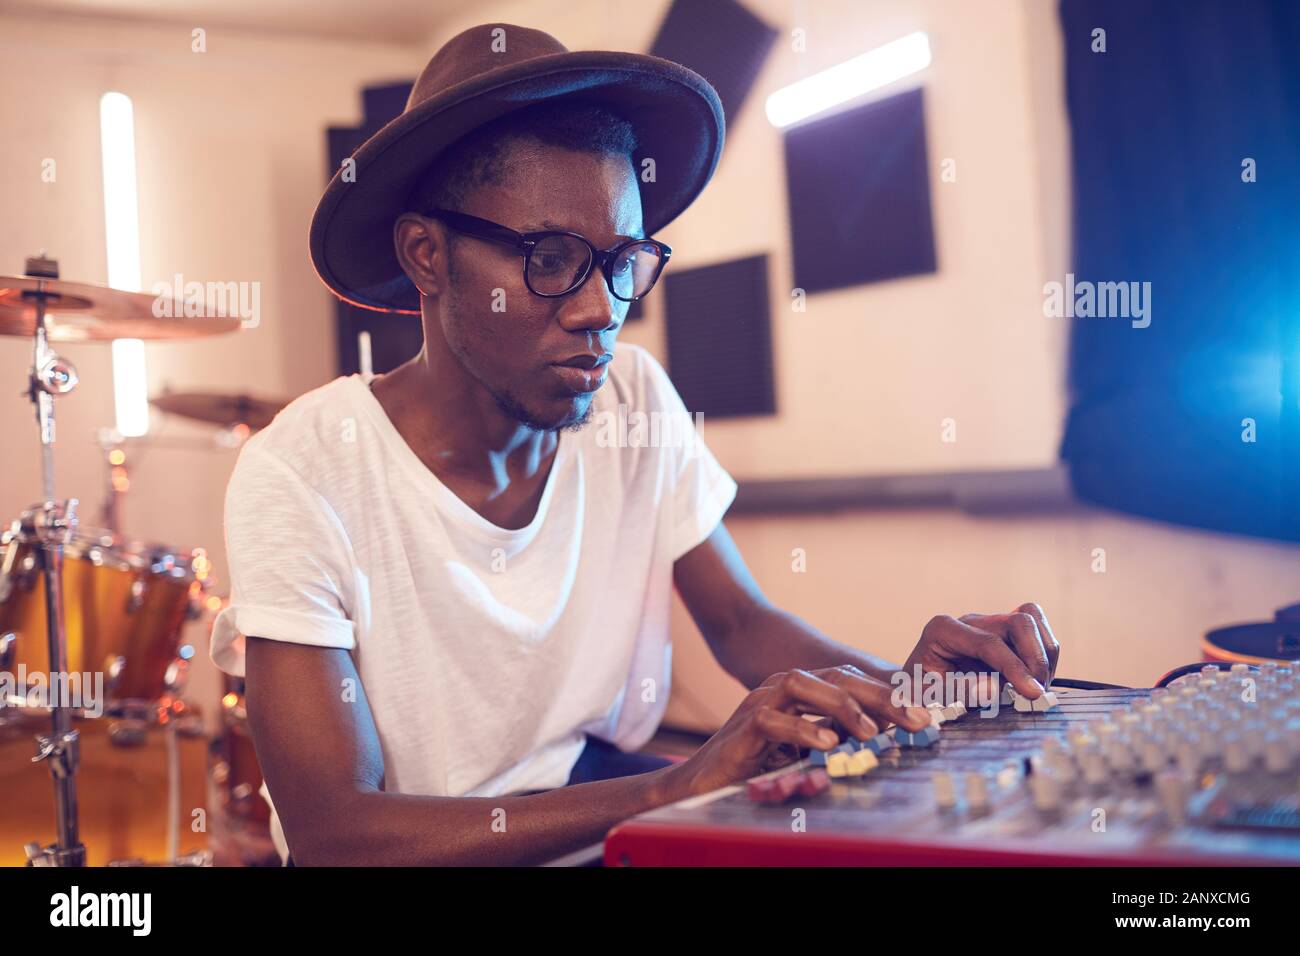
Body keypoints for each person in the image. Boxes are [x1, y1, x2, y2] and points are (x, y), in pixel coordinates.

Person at [211, 22, 1060, 866]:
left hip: (586, 797)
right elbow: (335, 835)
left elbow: (740, 620)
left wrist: (905, 691)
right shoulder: (301, 472)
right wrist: (670, 787)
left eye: (622, 260)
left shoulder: (633, 395)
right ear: (426, 255)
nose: (599, 310)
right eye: (551, 258)